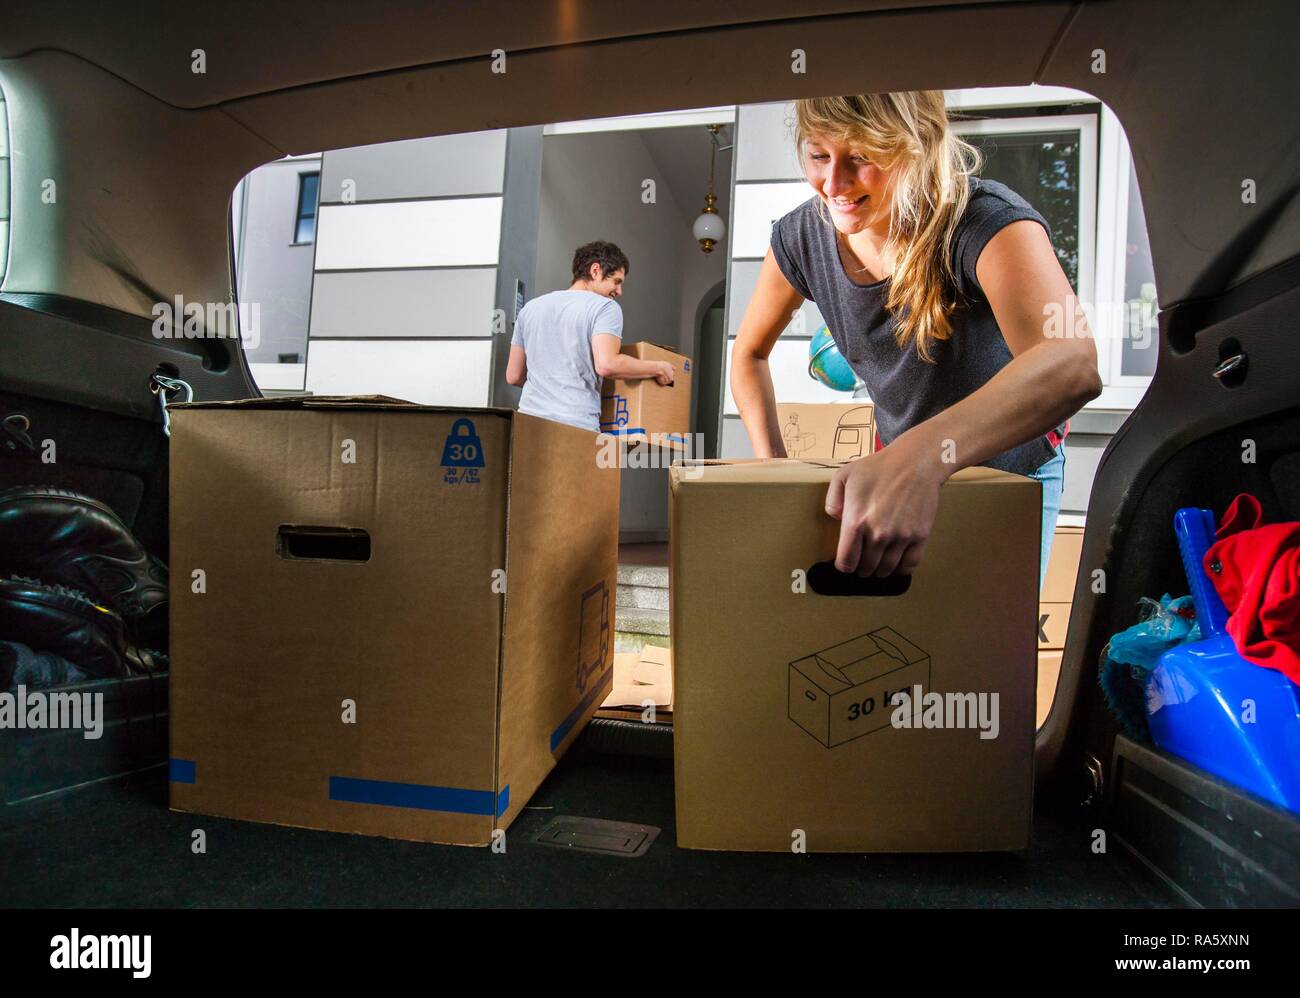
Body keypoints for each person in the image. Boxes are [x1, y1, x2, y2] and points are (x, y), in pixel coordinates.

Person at [731, 92, 1102, 588]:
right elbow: (748, 354)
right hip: (903, 461)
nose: (834, 184)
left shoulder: (982, 219)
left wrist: (925, 459)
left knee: (985, 645)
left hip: (1011, 467)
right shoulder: (800, 238)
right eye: (819, 155)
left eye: (861, 157)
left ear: (915, 146)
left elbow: (1072, 362)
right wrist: (774, 468)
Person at [506, 241, 674, 432]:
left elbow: (514, 375)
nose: (619, 291)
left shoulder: (530, 309)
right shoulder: (604, 307)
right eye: (616, 281)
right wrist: (659, 368)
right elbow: (607, 364)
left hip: (527, 423)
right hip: (574, 426)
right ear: (595, 270)